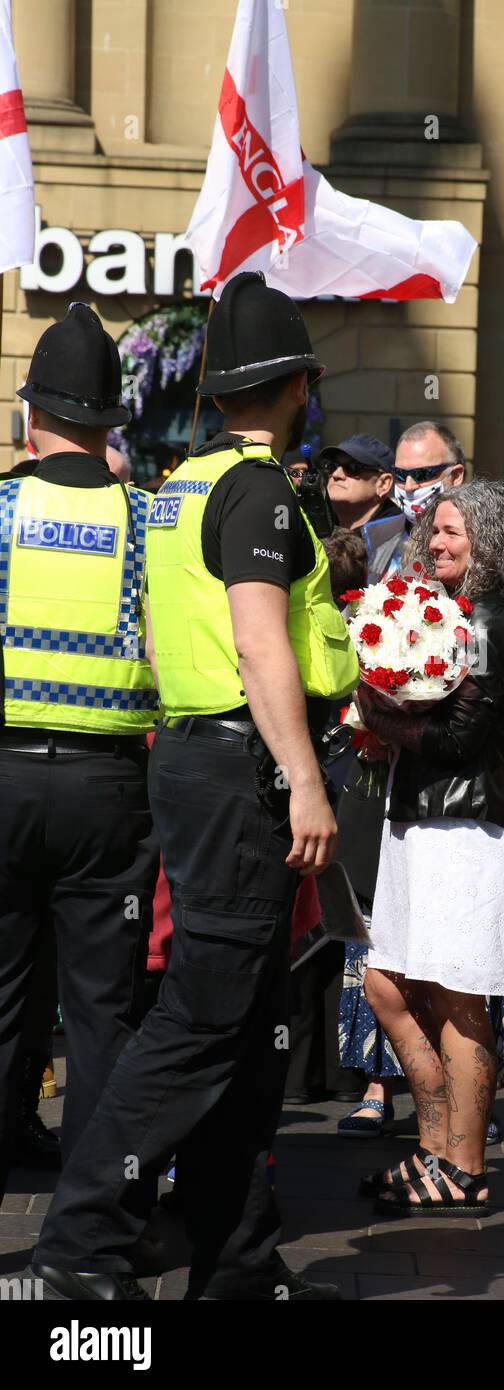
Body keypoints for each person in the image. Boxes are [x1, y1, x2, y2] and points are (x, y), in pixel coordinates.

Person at [28, 271, 359, 1302]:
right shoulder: (257, 491)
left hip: (195, 759)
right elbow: (263, 644)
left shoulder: (178, 484)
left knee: (251, 1030)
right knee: (199, 1023)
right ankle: (82, 1246)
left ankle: (235, 1260)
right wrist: (304, 779)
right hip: (241, 772)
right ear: (298, 383)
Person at [0, 304, 160, 1206]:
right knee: (102, 1018)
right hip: (111, 791)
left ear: (33, 418)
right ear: (109, 426)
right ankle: (96, 1231)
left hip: (6, 779)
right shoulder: (146, 524)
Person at [354, 481, 504, 1214]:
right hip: (423, 823)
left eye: (453, 532)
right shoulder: (455, 613)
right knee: (390, 986)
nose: (436, 544)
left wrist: (383, 719)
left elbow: (464, 740)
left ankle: (461, 1165)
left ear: (489, 539)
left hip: (467, 831)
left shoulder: (495, 619)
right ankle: (436, 1146)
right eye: (433, 531)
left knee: (460, 997)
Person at [324, 434, 403, 582]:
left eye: (353, 468)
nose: (336, 474)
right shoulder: (313, 526)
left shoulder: (403, 542)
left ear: (383, 484)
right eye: (332, 466)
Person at [392, 419, 466, 521]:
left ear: (456, 476)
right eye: (400, 474)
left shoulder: (481, 533)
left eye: (422, 474)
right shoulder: (380, 535)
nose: (408, 487)